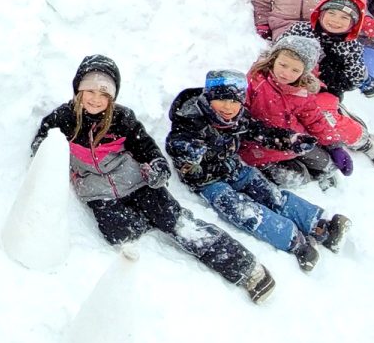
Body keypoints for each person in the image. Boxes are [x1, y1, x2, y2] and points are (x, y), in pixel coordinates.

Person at [31, 55, 273, 303]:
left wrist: (157, 165)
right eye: (89, 90)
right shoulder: (62, 119)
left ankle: (247, 269)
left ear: (112, 97)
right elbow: (40, 146)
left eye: (104, 94)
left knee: (178, 222)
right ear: (77, 90)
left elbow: (145, 147)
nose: (95, 99)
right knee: (117, 234)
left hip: (136, 182)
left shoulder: (121, 118)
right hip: (96, 189)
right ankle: (148, 220)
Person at [166, 69, 350, 273]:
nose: (228, 107)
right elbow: (176, 143)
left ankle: (317, 223)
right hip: (206, 180)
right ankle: (292, 240)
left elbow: (259, 131)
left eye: (234, 102)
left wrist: (290, 140)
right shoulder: (191, 120)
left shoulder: (237, 117)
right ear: (209, 98)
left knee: (270, 194)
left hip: (232, 167)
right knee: (242, 210)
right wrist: (188, 152)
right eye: (222, 100)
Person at [242, 35, 374, 187]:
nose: (286, 73)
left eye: (295, 70)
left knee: (326, 165)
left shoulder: (302, 91)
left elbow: (314, 119)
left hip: (297, 141)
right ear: (273, 59)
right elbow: (241, 114)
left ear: (304, 71)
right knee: (294, 178)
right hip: (264, 143)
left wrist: (333, 145)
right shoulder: (256, 81)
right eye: (283, 65)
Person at [282, 0, 374, 99]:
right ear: (321, 13)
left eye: (344, 18)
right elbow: (275, 53)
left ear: (353, 24)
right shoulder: (300, 30)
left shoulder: (352, 46)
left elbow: (355, 77)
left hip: (326, 90)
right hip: (289, 79)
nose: (336, 21)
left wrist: (336, 79)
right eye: (331, 13)